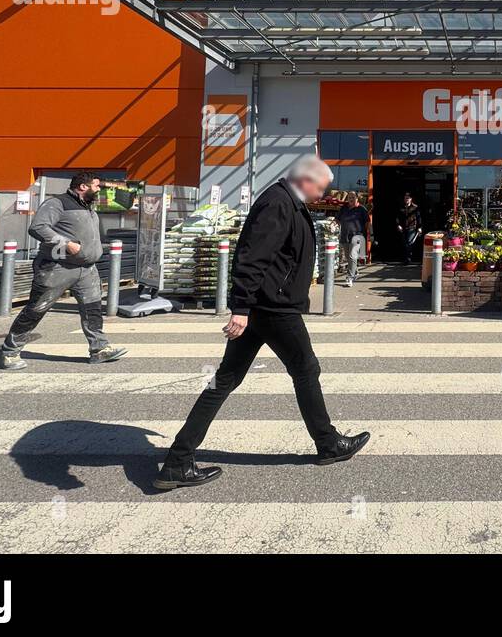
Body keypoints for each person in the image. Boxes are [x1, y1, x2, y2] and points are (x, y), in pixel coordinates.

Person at [154, 155, 370, 490]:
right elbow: (251, 255)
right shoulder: (278, 204)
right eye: (320, 187)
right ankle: (328, 443)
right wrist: (241, 306)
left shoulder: (287, 201)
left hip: (263, 306)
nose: (321, 194)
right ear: (303, 179)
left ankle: (177, 462)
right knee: (305, 369)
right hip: (272, 308)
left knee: (224, 380)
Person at [0, 171, 127, 369]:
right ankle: (10, 351)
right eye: (96, 185)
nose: (99, 189)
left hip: (86, 270)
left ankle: (99, 349)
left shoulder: (88, 206)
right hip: (57, 268)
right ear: (83, 187)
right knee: (36, 309)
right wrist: (66, 243)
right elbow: (38, 227)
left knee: (92, 309)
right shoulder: (56, 204)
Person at [338, 191, 369, 287]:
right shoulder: (344, 208)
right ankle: (355, 271)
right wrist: (333, 225)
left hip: (357, 236)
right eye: (349, 197)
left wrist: (369, 234)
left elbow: (368, 222)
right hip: (345, 235)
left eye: (352, 197)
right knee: (348, 257)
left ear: (357, 198)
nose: (350, 199)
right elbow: (337, 219)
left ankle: (349, 278)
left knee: (352, 256)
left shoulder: (362, 209)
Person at [396, 191, 421, 264]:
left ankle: (408, 259)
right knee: (404, 244)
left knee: (409, 243)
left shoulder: (415, 207)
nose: (407, 199)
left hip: (412, 227)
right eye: (405, 198)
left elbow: (419, 218)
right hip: (403, 228)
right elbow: (397, 217)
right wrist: (398, 225)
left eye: (408, 198)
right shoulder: (401, 207)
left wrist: (420, 227)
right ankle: (406, 258)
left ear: (411, 199)